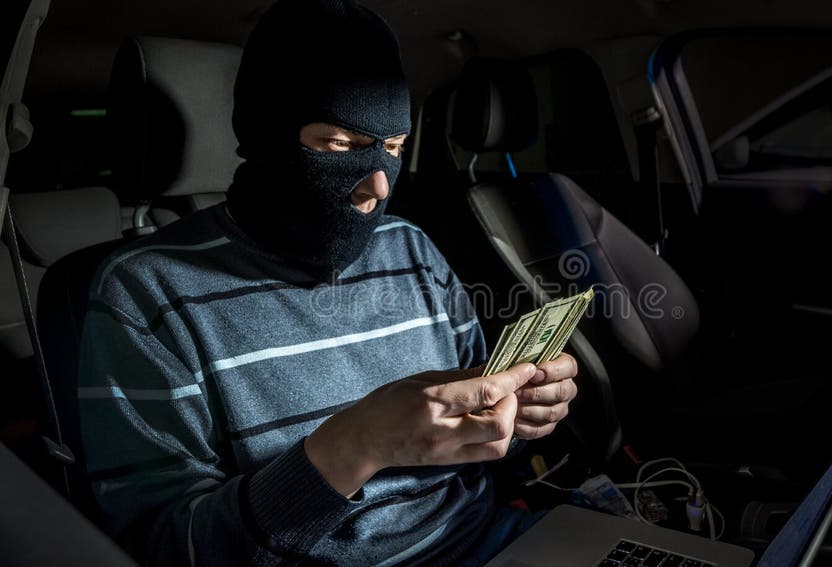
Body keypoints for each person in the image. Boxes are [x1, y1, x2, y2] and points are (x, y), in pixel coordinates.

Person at [77, 0, 579, 565]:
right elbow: (169, 547)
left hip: (484, 542)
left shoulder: (410, 246)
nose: (379, 188)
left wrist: (519, 420)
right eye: (338, 145)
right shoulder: (146, 291)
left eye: (394, 149)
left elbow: (478, 436)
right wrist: (355, 446)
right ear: (266, 132)